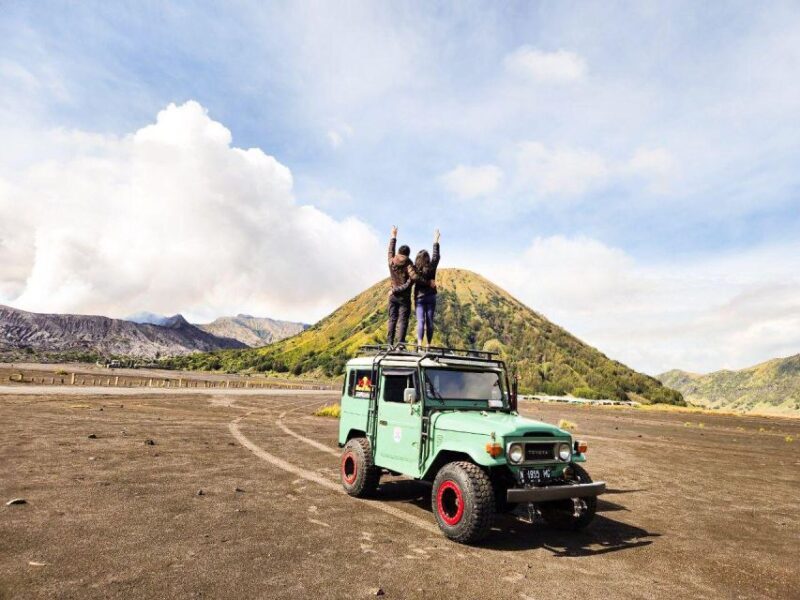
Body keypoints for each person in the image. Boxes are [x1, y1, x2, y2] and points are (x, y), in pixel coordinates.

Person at [386, 225, 417, 347]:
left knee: (392, 319)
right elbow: (411, 281)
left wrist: (393, 236)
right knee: (402, 321)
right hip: (404, 297)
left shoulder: (392, 261)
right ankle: (400, 346)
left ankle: (389, 344)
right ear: (408, 254)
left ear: (399, 252)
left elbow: (390, 251)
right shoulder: (409, 264)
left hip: (392, 296)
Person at [414, 229, 440, 350]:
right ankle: (428, 345)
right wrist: (436, 241)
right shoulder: (431, 266)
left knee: (420, 321)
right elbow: (436, 256)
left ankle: (419, 345)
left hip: (419, 298)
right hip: (431, 297)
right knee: (430, 321)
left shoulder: (416, 269)